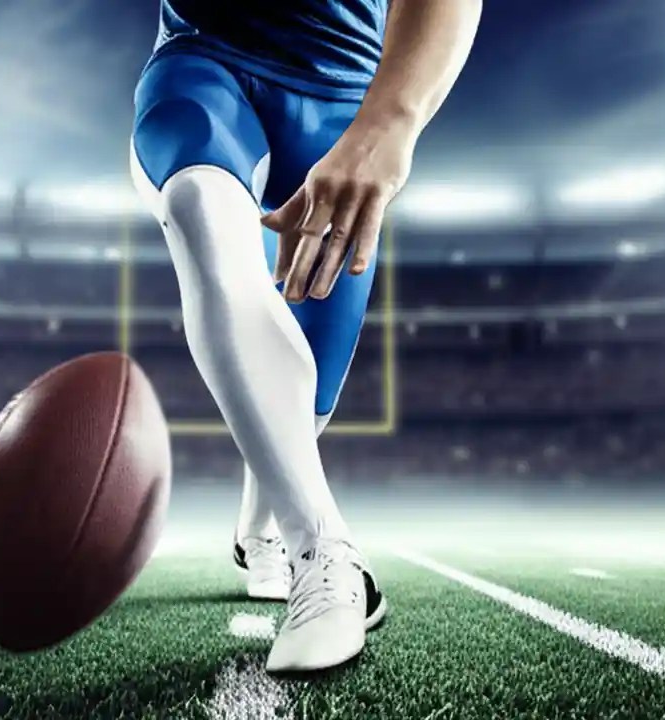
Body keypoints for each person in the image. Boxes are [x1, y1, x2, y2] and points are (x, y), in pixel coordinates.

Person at [130, 0, 481, 672]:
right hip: (207, 65)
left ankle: (257, 527)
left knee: (307, 402)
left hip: (344, 106)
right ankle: (325, 554)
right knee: (200, 205)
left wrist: (390, 124)